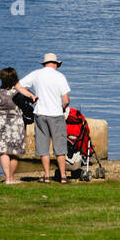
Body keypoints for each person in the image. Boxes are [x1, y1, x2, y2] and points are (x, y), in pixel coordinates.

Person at [19, 53, 71, 183]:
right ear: (56, 64)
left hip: (40, 113)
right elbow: (66, 100)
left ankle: (47, 175)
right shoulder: (60, 77)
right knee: (59, 146)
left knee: (43, 146)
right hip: (56, 114)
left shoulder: (36, 74)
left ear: (45, 64)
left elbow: (18, 86)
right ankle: (63, 176)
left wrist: (32, 96)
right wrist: (63, 108)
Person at [0, 67, 35, 184]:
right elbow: (33, 100)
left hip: (1, 123)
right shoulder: (21, 92)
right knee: (14, 153)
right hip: (17, 124)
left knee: (4, 151)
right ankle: (11, 177)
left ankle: (7, 178)